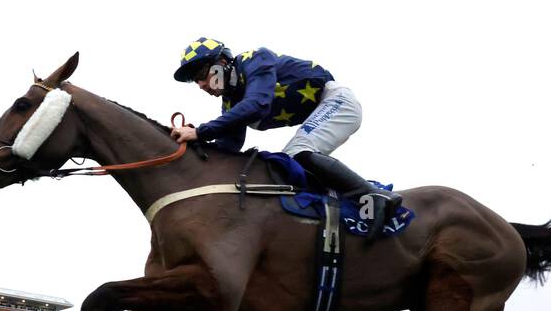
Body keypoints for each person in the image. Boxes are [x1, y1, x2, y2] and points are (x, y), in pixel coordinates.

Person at [170, 36, 401, 231]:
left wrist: (200, 132)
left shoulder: (254, 59)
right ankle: (340, 206)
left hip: (336, 100)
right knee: (289, 162)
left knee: (295, 154)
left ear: (222, 62)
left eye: (202, 74)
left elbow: (257, 104)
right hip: (324, 108)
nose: (200, 84)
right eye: (195, 81)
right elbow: (228, 148)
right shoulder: (231, 102)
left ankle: (373, 195)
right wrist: (194, 151)